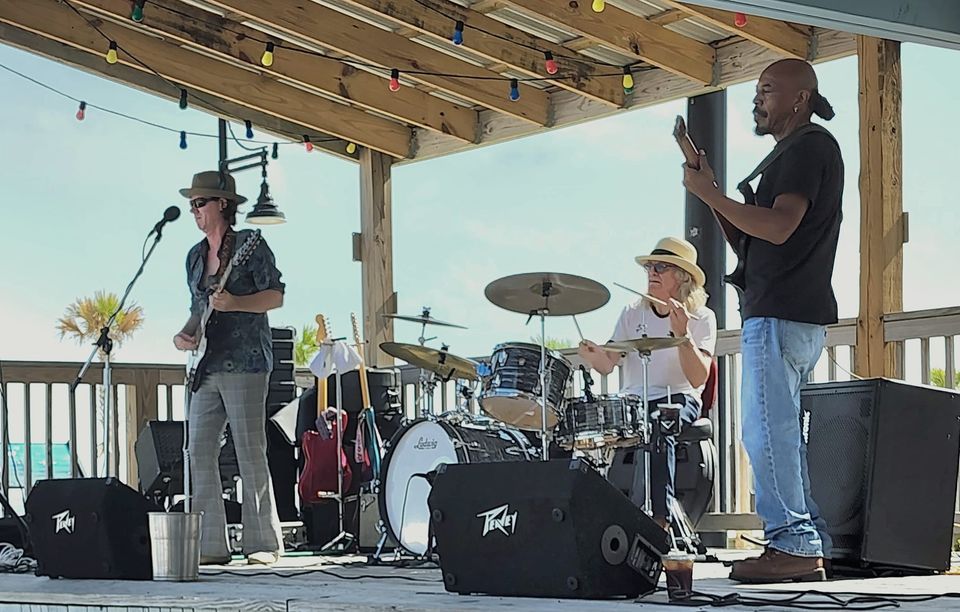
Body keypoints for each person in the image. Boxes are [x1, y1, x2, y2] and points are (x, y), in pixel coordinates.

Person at [682, 58, 843, 583]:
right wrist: (714, 193)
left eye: (767, 90)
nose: (757, 99)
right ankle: (806, 535)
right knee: (779, 434)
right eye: (756, 90)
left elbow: (778, 227)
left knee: (766, 433)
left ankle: (793, 544)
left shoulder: (807, 147)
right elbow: (754, 240)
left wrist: (708, 194)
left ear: (799, 99)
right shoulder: (789, 154)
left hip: (780, 311)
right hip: (786, 309)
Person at [172, 170, 285, 566]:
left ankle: (263, 544)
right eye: (191, 205)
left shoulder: (253, 245)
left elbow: (275, 296)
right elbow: (196, 309)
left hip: (248, 362)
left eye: (200, 203)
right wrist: (186, 334)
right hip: (207, 365)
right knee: (198, 449)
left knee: (249, 450)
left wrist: (236, 304)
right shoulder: (193, 256)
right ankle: (210, 545)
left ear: (222, 203)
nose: (194, 211)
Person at [579, 237, 717, 530]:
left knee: (659, 423)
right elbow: (607, 365)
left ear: (683, 277)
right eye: (649, 267)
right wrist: (593, 356)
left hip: (678, 397)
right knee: (581, 428)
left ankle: (658, 520)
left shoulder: (702, 317)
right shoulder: (632, 311)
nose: (652, 272)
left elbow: (698, 378)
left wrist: (683, 336)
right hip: (632, 401)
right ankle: (593, 522)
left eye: (661, 267)